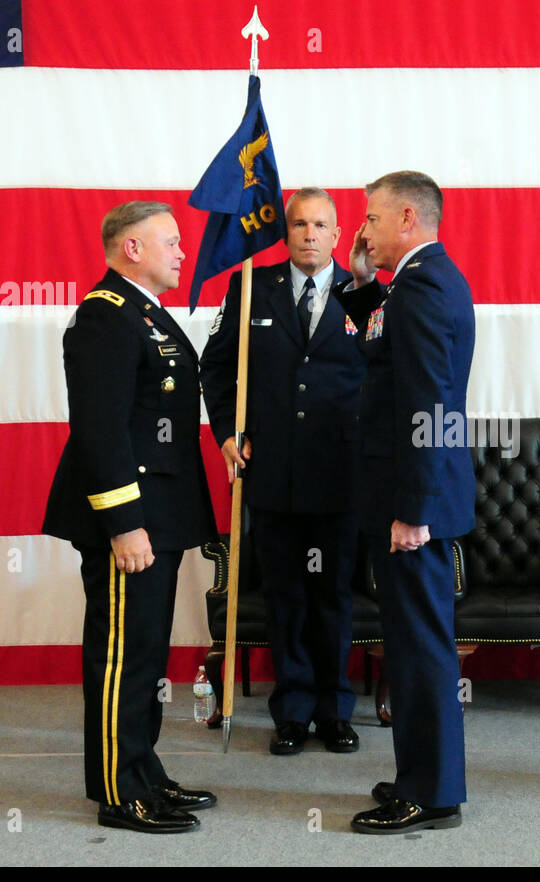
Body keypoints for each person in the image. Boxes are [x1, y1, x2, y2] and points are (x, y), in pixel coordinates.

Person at [44, 200, 218, 834]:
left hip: (159, 514)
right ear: (132, 249)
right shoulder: (105, 317)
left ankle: (142, 769)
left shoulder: (146, 314)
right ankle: (119, 792)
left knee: (144, 651)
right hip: (131, 518)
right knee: (121, 654)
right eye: (169, 242)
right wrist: (124, 523)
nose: (182, 252)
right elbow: (100, 431)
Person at [200, 188, 366, 756]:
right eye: (299, 224)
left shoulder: (364, 293)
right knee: (286, 597)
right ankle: (293, 711)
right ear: (286, 230)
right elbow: (217, 365)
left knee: (333, 598)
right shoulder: (249, 287)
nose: (309, 234)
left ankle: (335, 710)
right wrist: (227, 431)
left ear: (337, 235)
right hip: (270, 475)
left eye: (321, 225)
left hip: (340, 477)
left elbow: (385, 375)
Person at [338, 171, 475, 834]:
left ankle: (432, 792)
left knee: (420, 648)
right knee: (415, 643)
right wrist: (363, 287)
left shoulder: (423, 288)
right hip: (406, 498)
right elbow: (383, 351)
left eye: (369, 219)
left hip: (412, 505)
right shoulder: (415, 284)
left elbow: (427, 403)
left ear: (407, 217)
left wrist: (414, 509)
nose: (361, 231)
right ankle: (423, 776)